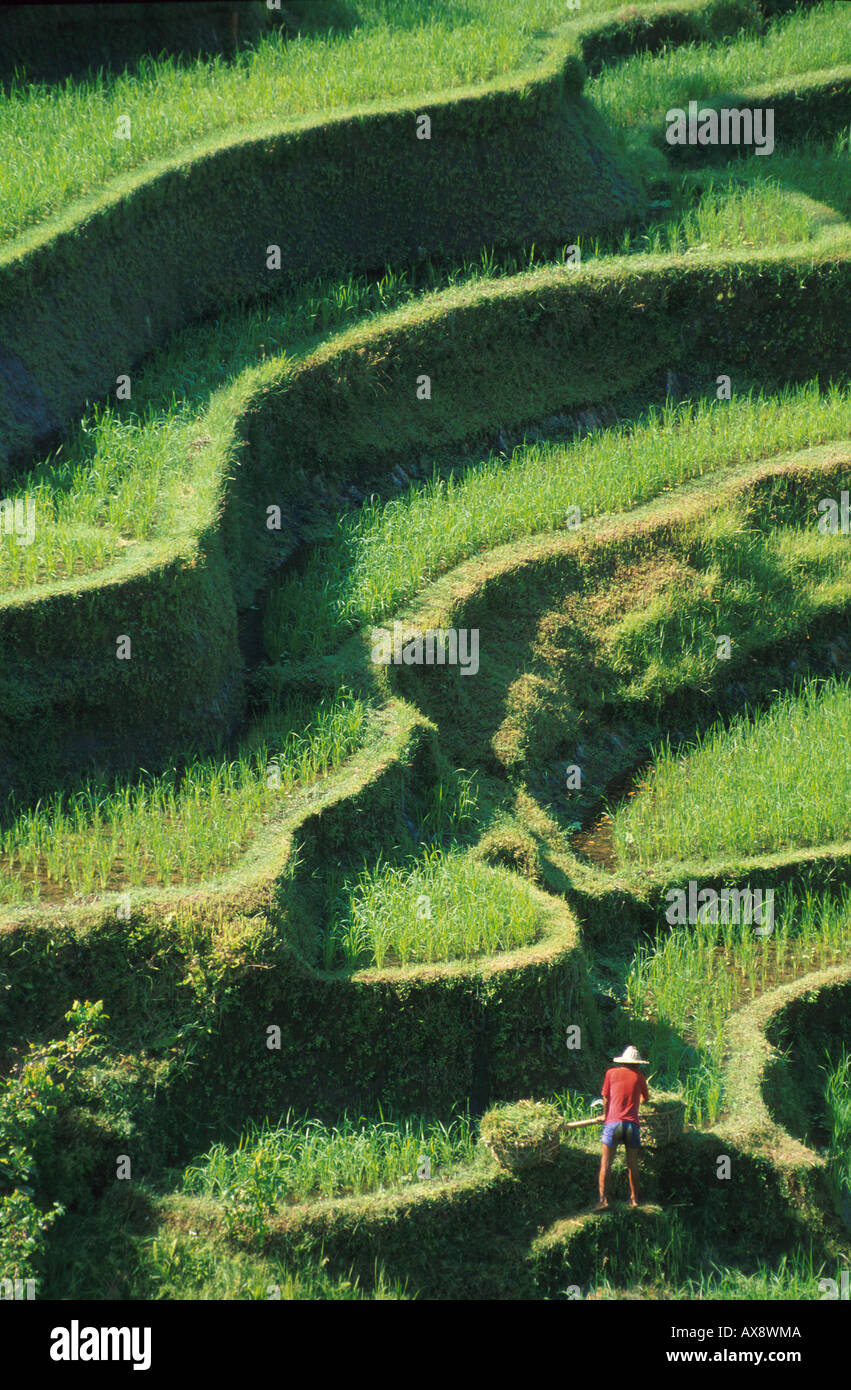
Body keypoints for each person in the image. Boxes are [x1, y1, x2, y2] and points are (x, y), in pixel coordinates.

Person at [594, 1045, 649, 1211]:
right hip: (632, 1125)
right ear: (637, 1064)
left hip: (613, 1123)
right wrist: (634, 1105)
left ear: (623, 1061)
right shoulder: (639, 1077)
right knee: (632, 1164)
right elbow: (645, 1098)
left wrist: (605, 1115)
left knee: (606, 1164)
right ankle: (634, 1199)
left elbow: (605, 1099)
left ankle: (603, 1200)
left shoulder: (611, 1073)